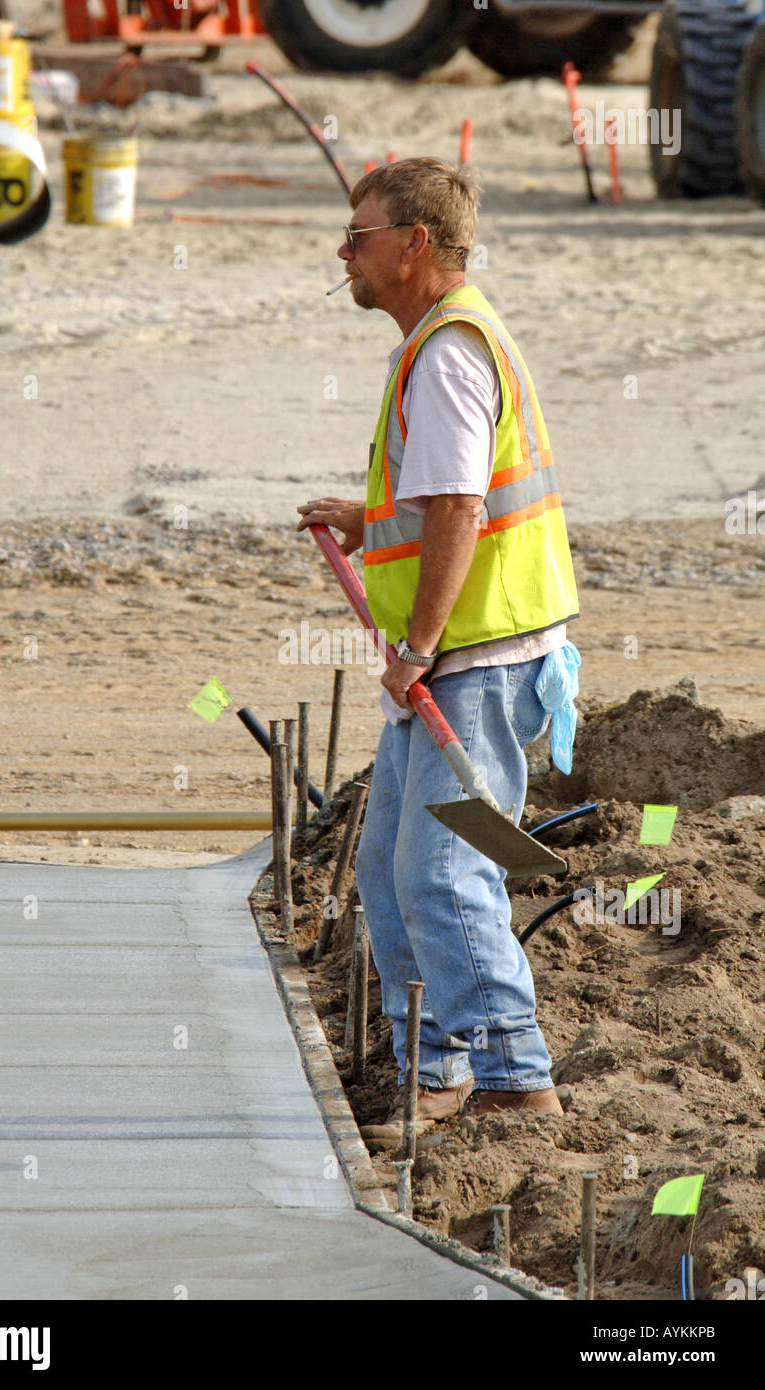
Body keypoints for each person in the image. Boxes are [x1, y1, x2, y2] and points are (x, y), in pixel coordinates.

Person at [297, 157, 580, 1147]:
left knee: (443, 871)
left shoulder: (449, 351)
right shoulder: (431, 342)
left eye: (359, 234)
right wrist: (369, 517)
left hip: (478, 657)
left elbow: (463, 507)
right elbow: (434, 502)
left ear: (415, 243)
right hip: (460, 655)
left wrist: (415, 644)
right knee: (386, 868)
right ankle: (434, 1069)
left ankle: (512, 1075)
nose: (345, 254)